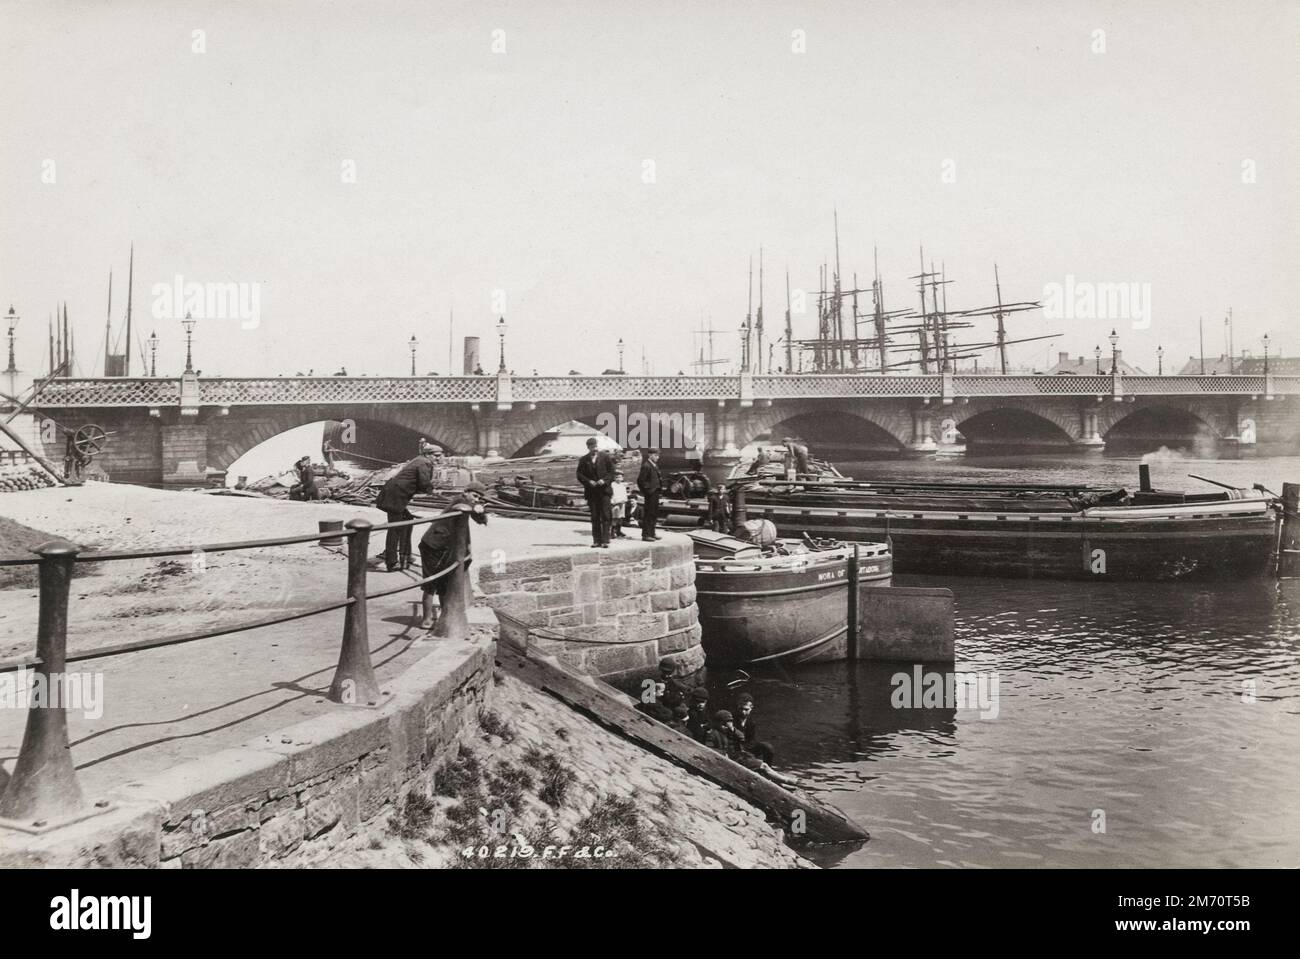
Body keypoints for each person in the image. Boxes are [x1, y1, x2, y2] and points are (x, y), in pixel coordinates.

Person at [418, 483, 489, 629]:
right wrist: (478, 509)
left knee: (444, 583)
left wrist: (481, 512)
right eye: (474, 496)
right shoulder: (459, 502)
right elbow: (469, 509)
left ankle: (446, 616)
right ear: (466, 492)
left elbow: (480, 520)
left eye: (479, 498)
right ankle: (426, 620)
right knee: (430, 584)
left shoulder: (466, 503)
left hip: (443, 548)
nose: (476, 499)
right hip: (432, 546)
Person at [376, 444, 439, 571]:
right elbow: (424, 483)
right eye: (436, 456)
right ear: (428, 454)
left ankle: (405, 555)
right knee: (394, 529)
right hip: (395, 496)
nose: (439, 458)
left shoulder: (419, 460)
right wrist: (433, 491)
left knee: (408, 520)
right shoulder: (424, 462)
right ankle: (392, 562)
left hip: (395, 494)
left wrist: (430, 489)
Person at [706, 710, 797, 787]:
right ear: (717, 723)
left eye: (729, 722)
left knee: (762, 766)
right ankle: (786, 780)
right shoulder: (712, 734)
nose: (726, 726)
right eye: (723, 723)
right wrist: (723, 754)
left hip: (738, 757)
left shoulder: (730, 732)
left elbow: (742, 738)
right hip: (731, 760)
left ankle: (781, 781)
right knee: (763, 766)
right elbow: (709, 749)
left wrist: (733, 729)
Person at [575, 436, 615, 548]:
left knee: (606, 516)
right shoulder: (583, 460)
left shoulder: (605, 457)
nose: (595, 449)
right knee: (595, 517)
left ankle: (605, 540)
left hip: (604, 491)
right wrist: (589, 482)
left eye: (596, 446)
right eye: (592, 447)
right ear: (588, 447)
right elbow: (579, 475)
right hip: (592, 493)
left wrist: (605, 480)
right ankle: (596, 541)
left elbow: (612, 472)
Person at [733, 692, 775, 764]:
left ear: (751, 708)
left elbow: (751, 740)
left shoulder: (751, 721)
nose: (743, 712)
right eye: (741, 709)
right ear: (737, 706)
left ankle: (766, 770)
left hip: (746, 747)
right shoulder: (731, 718)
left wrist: (749, 753)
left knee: (768, 747)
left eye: (746, 709)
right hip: (734, 748)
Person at [637, 447, 662, 542]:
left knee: (654, 513)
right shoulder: (646, 466)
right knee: (649, 513)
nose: (657, 457)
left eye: (658, 455)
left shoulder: (653, 465)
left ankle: (652, 533)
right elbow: (640, 481)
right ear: (650, 455)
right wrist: (648, 491)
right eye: (656, 455)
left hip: (655, 493)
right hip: (651, 493)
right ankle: (646, 535)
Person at [609, 470, 630, 538]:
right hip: (615, 503)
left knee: (620, 518)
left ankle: (618, 531)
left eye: (620, 477)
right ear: (614, 478)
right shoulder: (612, 485)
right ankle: (612, 531)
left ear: (622, 478)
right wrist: (614, 502)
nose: (618, 479)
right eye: (617, 477)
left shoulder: (622, 485)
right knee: (614, 518)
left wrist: (625, 500)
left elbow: (624, 494)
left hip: (622, 503)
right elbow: (612, 495)